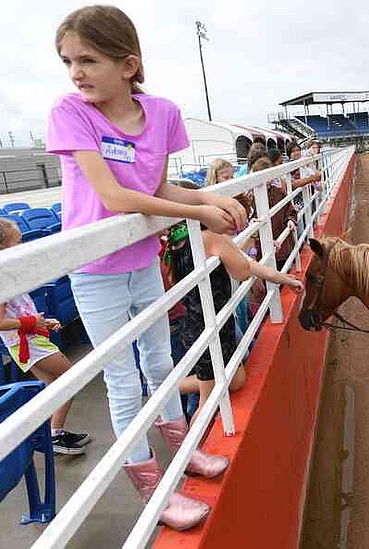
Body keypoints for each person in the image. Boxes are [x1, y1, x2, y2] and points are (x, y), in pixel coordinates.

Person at [47, 5, 247, 531]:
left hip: (142, 260)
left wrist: (211, 199)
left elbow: (155, 189)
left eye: (88, 59)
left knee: (161, 366)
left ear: (129, 63)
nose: (76, 72)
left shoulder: (162, 112)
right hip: (95, 271)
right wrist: (201, 209)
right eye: (68, 61)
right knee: (122, 381)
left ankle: (183, 459)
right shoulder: (71, 111)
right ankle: (156, 492)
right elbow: (115, 197)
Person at [0, 218, 89, 456]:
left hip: (31, 339)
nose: (23, 246)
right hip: (27, 344)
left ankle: (51, 433)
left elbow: (19, 310)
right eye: (18, 242)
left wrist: (42, 323)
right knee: (70, 379)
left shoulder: (4, 274)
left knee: (55, 386)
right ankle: (53, 433)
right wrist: (31, 323)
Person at [165, 219, 303, 424]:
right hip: (210, 329)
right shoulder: (209, 238)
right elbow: (244, 271)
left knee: (236, 380)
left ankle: (173, 387)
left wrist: (287, 280)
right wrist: (224, 242)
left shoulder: (179, 243)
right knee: (208, 399)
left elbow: (250, 265)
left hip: (201, 325)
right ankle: (192, 449)